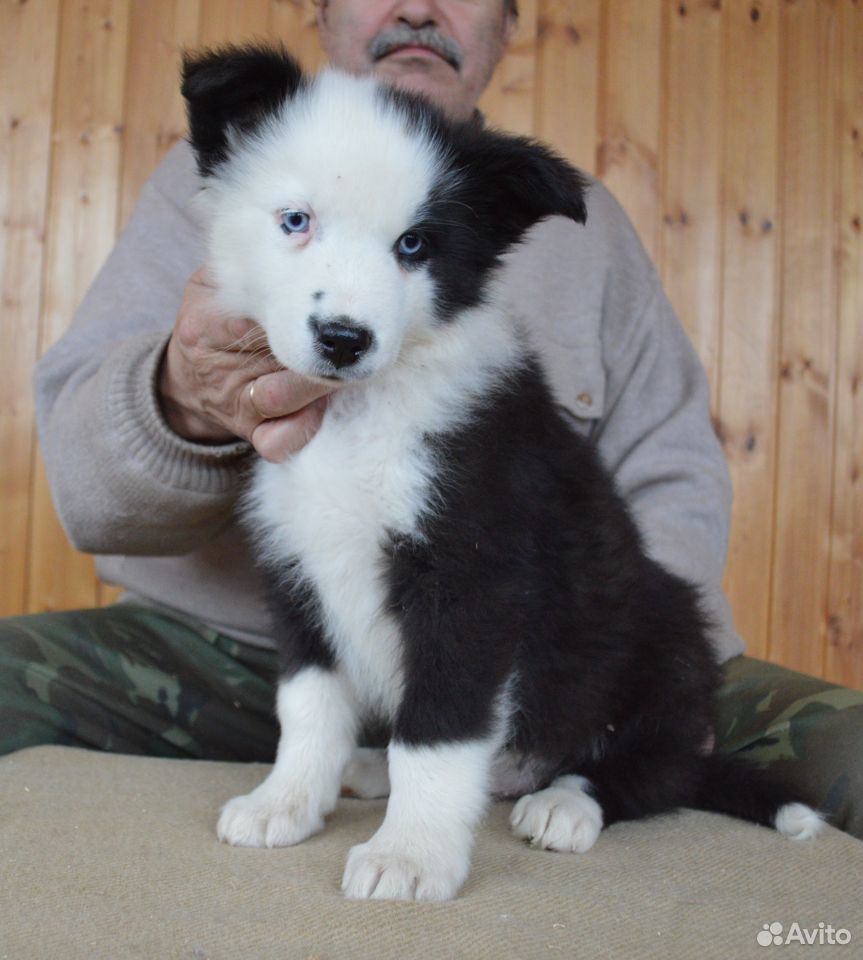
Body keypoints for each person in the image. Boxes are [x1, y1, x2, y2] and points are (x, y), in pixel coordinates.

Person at [3, 0, 860, 839]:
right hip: (212, 653)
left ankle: (593, 770)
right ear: (322, 10)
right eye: (298, 224)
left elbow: (673, 472)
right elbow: (81, 484)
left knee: (841, 750)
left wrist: (629, 680)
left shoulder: (552, 213)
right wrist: (185, 393)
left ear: (508, 23)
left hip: (530, 659)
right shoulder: (226, 169)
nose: (417, 7)